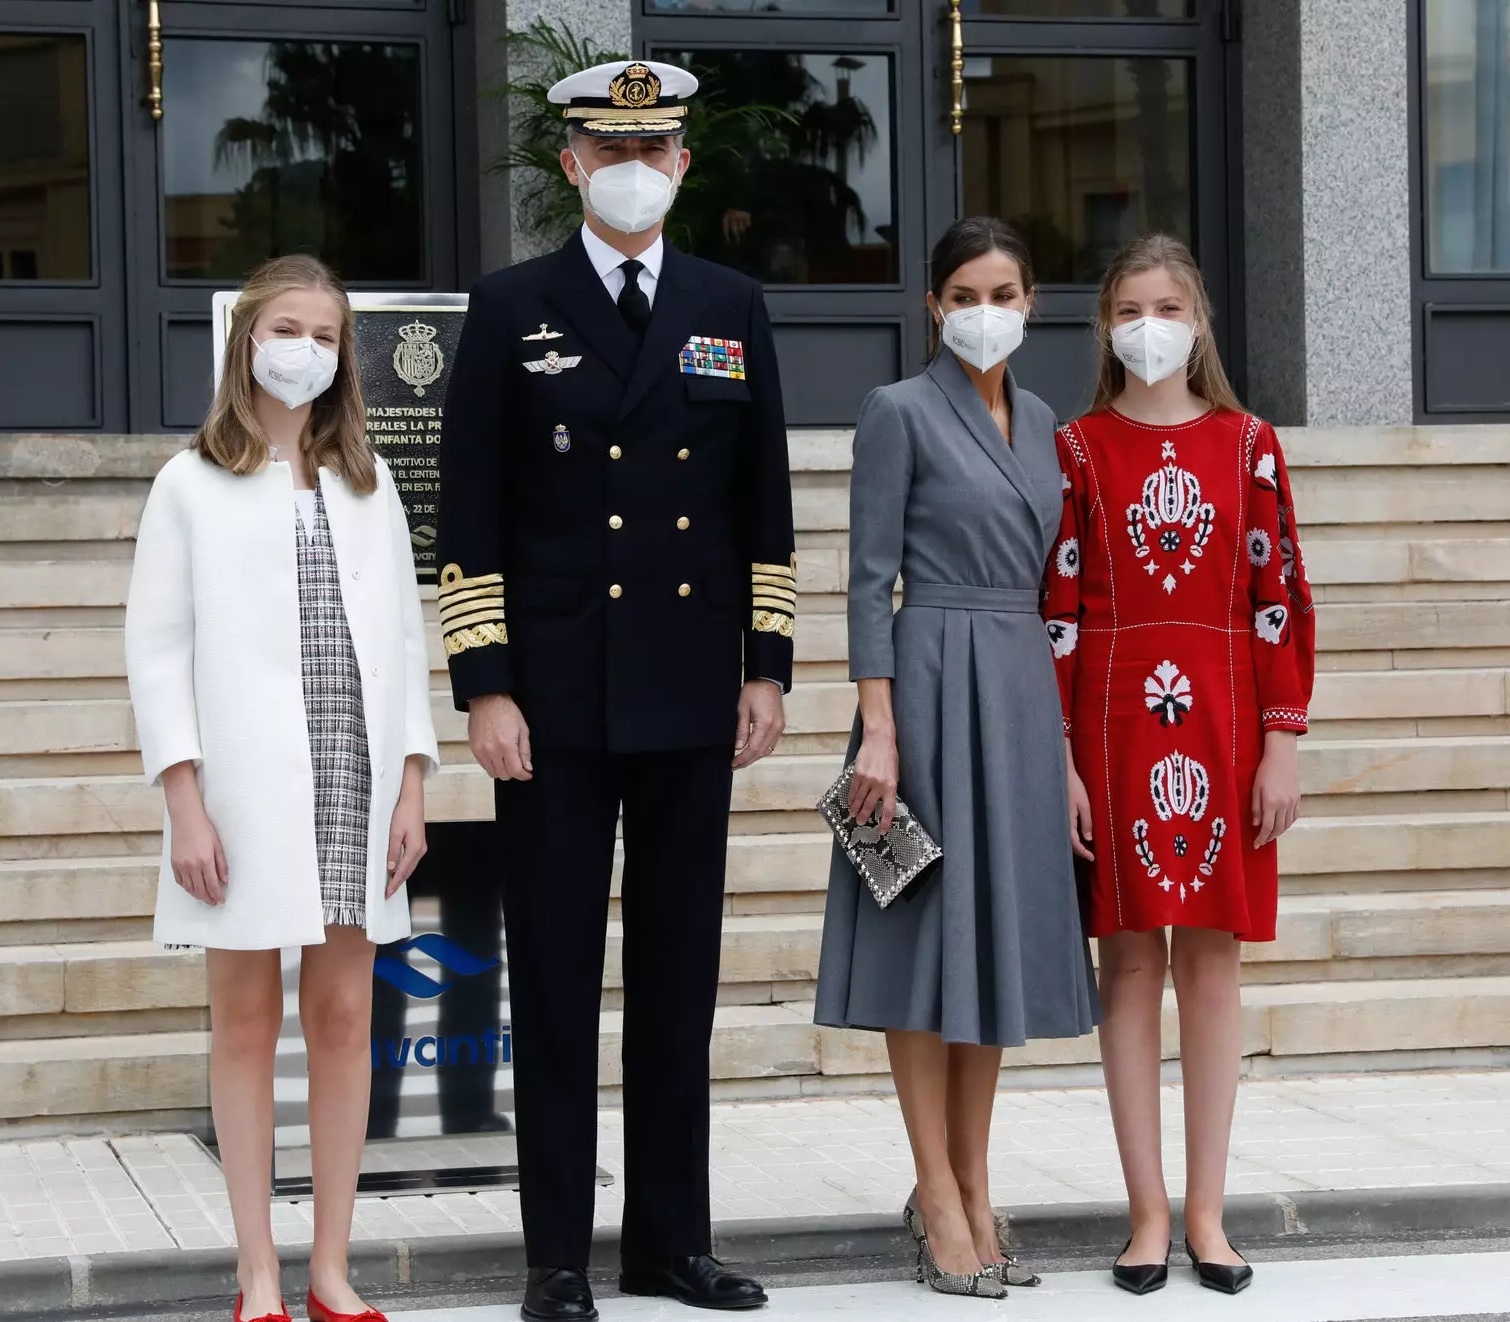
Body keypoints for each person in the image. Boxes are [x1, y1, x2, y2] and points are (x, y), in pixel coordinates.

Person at [434, 59, 795, 1322]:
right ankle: (556, 1258)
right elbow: (467, 515)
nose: (634, 166)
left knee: (678, 979)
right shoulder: (509, 306)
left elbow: (766, 508)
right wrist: (482, 685)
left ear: (682, 164)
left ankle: (669, 1244)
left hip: (693, 692)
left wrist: (767, 665)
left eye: (657, 148)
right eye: (610, 147)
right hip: (556, 701)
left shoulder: (729, 302)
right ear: (573, 164)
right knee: (552, 974)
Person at [124, 255, 440, 1322]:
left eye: (324, 333)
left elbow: (405, 634)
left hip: (356, 771)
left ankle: (330, 1266)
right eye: (285, 327)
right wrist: (184, 798)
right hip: (246, 784)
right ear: (247, 339)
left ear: (344, 354)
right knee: (245, 1016)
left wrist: (412, 783)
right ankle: (257, 1270)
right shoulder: (189, 481)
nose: (303, 348)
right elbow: (156, 649)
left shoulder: (368, 478)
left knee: (347, 1010)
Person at [814, 217, 1100, 1299]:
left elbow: (1052, 589)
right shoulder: (896, 410)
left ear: (1031, 304)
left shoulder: (1043, 422)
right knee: (915, 942)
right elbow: (864, 577)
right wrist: (876, 725)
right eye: (970, 290)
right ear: (934, 304)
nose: (991, 308)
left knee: (988, 945)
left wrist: (1065, 750)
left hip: (1019, 690)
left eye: (1010, 290)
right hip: (923, 691)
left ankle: (977, 1181)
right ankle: (934, 1187)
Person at [1043, 234, 1315, 1297]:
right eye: (1128, 307)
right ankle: (1145, 1210)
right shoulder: (1075, 449)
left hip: (1227, 717)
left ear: (1198, 319)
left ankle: (1208, 1209)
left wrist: (1281, 740)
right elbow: (1055, 609)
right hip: (1111, 720)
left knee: (1211, 962)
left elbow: (1278, 591)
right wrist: (1061, 755)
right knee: (1128, 964)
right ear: (1106, 325)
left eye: (1166, 305)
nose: (1147, 323)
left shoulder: (1250, 445)